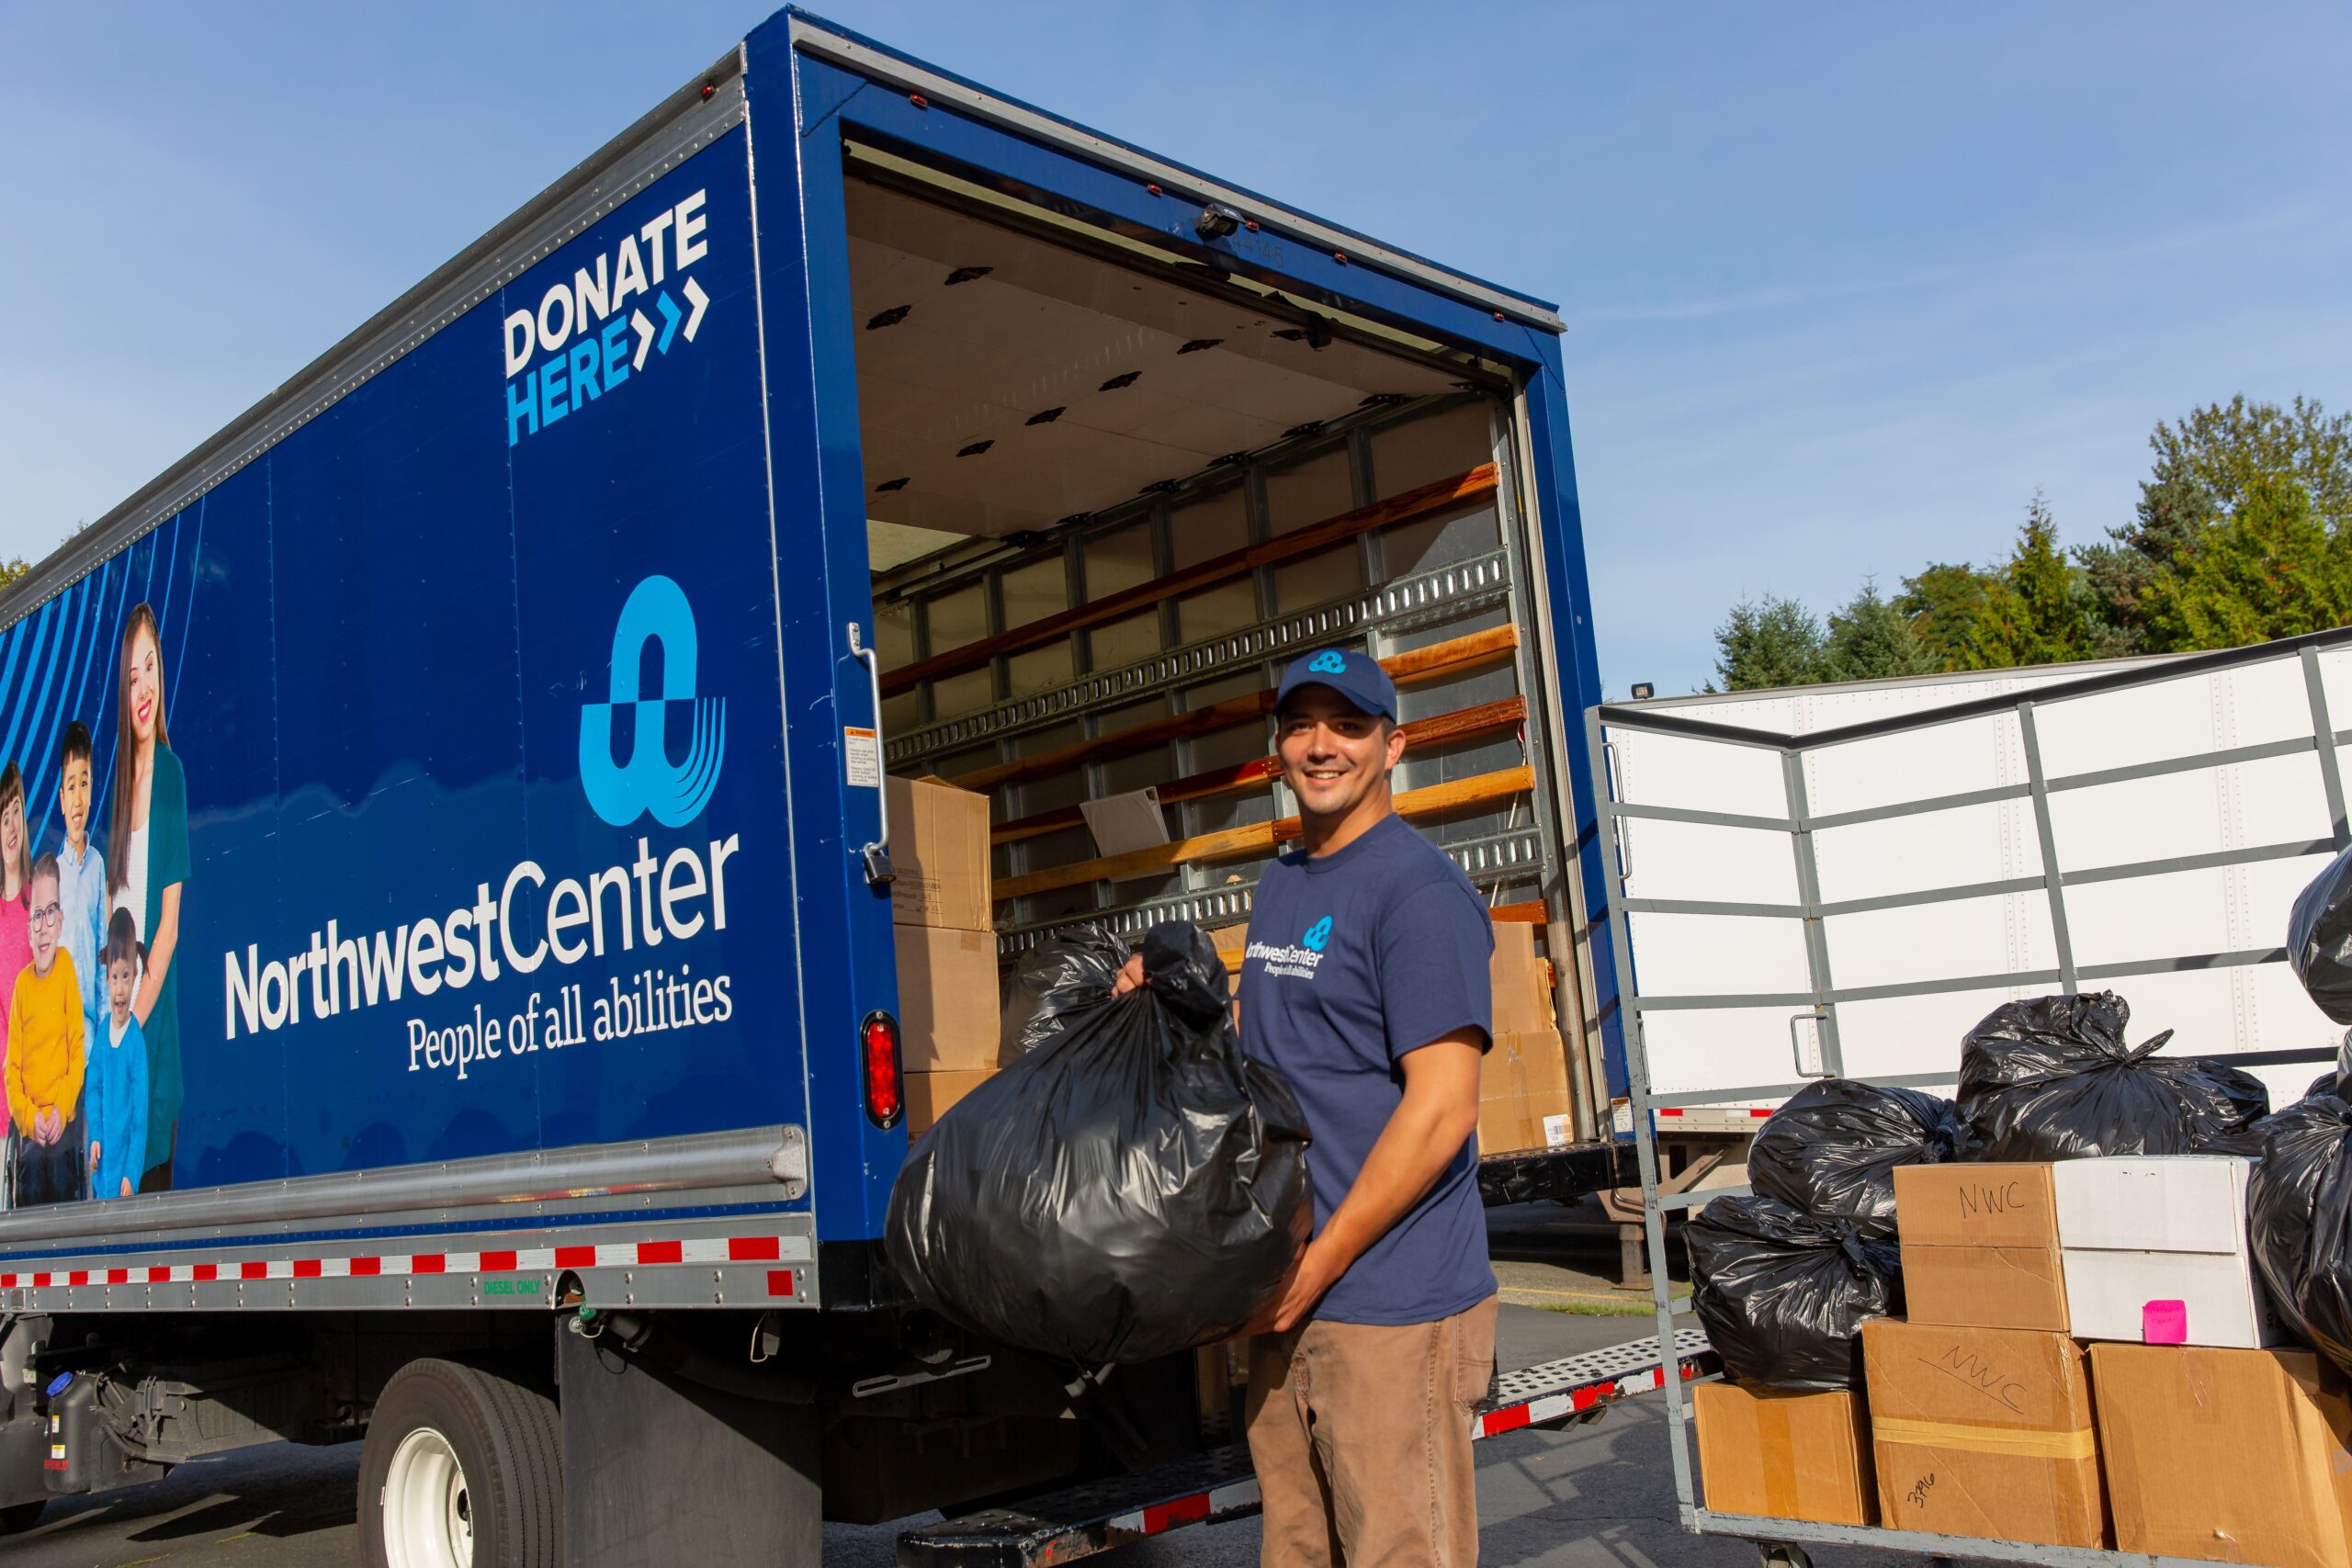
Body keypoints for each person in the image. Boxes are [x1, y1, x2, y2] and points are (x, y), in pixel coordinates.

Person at [1115, 647, 1497, 1568]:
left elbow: (1441, 1110)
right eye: (1300, 725)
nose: (1321, 746)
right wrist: (1177, 995)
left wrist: (1316, 1267)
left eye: (1347, 726)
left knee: (1396, 1553)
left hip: (1388, 1303)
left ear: (1391, 745)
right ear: (1277, 746)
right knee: (1296, 1551)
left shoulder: (1417, 894)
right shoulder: (1289, 877)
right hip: (1287, 1287)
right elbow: (1279, 1039)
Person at [106, 604, 188, 1194]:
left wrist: (129, 1028)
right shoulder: (114, 788)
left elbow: (167, 929)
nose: (144, 688)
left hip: (149, 1048)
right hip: (114, 1056)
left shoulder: (172, 774)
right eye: (131, 676)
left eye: (151, 668)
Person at [8, 854, 85, 1206]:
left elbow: (76, 1052)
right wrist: (30, 1119)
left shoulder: (66, 968)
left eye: (50, 913)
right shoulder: (22, 988)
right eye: (36, 916)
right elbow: (12, 1072)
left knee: (59, 1166)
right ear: (28, 928)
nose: (43, 927)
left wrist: (60, 1110)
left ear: (60, 921)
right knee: (31, 1169)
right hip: (31, 1127)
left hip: (62, 1118)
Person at [85, 909, 148, 1201]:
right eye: (115, 977)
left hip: (123, 1179)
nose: (120, 988)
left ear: (135, 976)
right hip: (103, 1177)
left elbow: (139, 1117)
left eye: (126, 976)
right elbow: (93, 1090)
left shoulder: (135, 1043)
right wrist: (95, 1135)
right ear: (107, 979)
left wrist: (131, 1174)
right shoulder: (100, 1036)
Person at [53, 723, 107, 1043]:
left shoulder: (98, 866)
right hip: (61, 1045)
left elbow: (103, 948)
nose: (77, 798)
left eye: (84, 784)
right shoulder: (53, 876)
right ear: (61, 799)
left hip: (91, 1042)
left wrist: (103, 1038)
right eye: (70, 787)